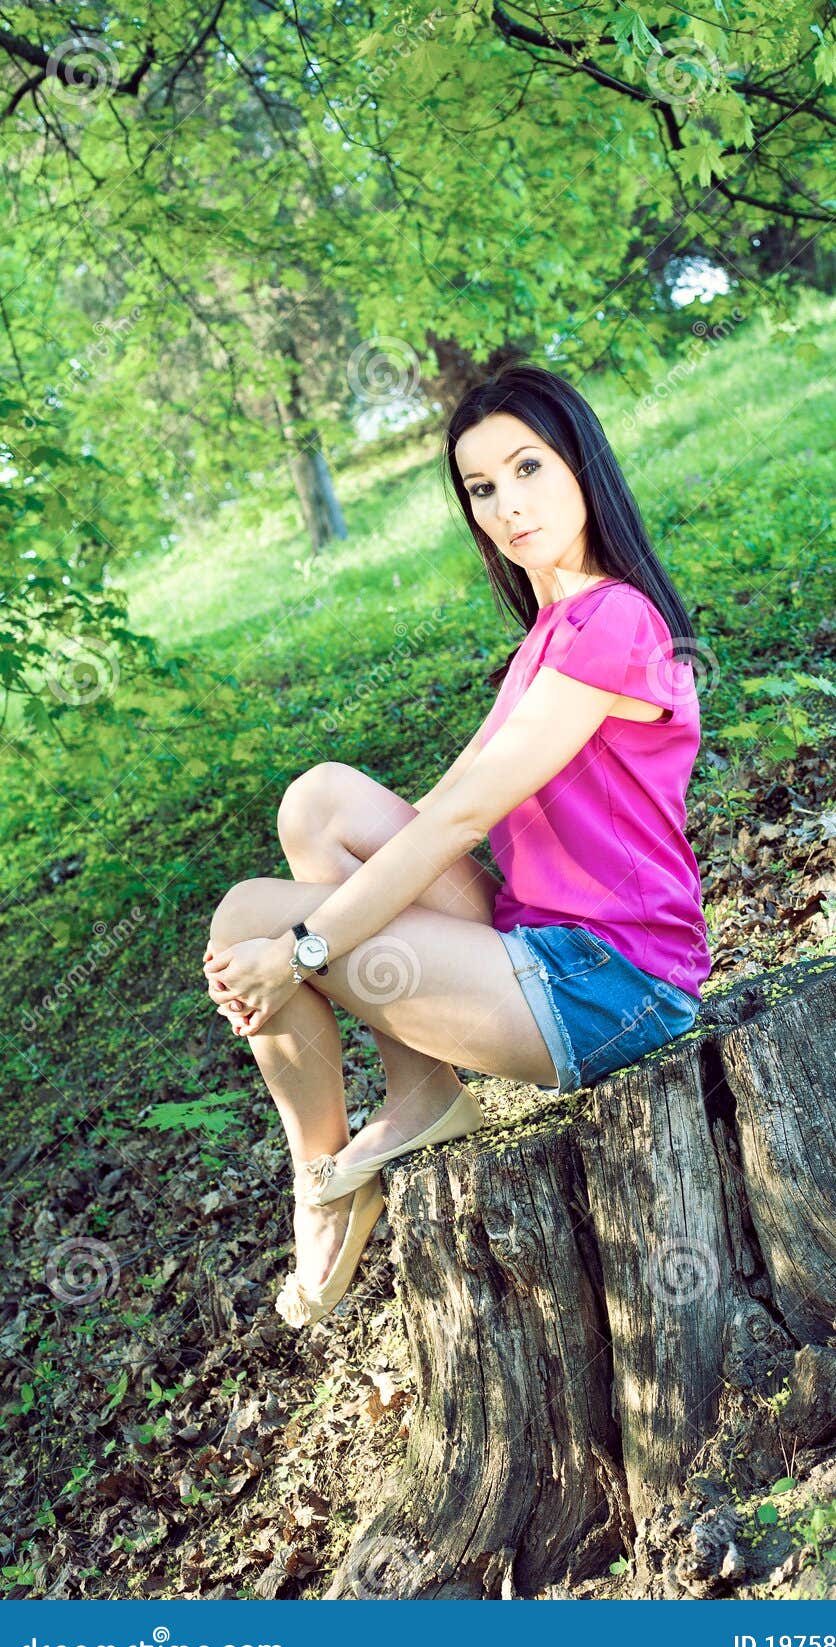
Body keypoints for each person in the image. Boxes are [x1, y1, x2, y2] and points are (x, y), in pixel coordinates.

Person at [203, 362, 711, 1330]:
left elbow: (457, 822)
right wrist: (320, 934)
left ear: (580, 466)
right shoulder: (556, 626)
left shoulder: (614, 621)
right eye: (481, 487)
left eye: (526, 468)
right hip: (537, 938)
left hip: (611, 984)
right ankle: (405, 1104)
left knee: (250, 922)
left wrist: (304, 950)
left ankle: (324, 1182)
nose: (506, 506)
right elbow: (439, 804)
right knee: (321, 802)